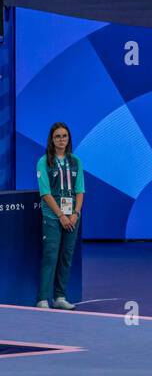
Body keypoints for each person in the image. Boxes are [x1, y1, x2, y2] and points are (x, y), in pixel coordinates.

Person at [37, 122, 84, 308]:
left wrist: (75, 213)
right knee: (51, 255)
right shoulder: (44, 162)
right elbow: (45, 193)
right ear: (52, 139)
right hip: (52, 215)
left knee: (67, 255)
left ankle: (60, 297)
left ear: (68, 139)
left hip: (72, 215)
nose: (61, 139)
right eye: (57, 136)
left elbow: (80, 190)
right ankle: (42, 298)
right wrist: (61, 216)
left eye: (64, 136)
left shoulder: (75, 161)